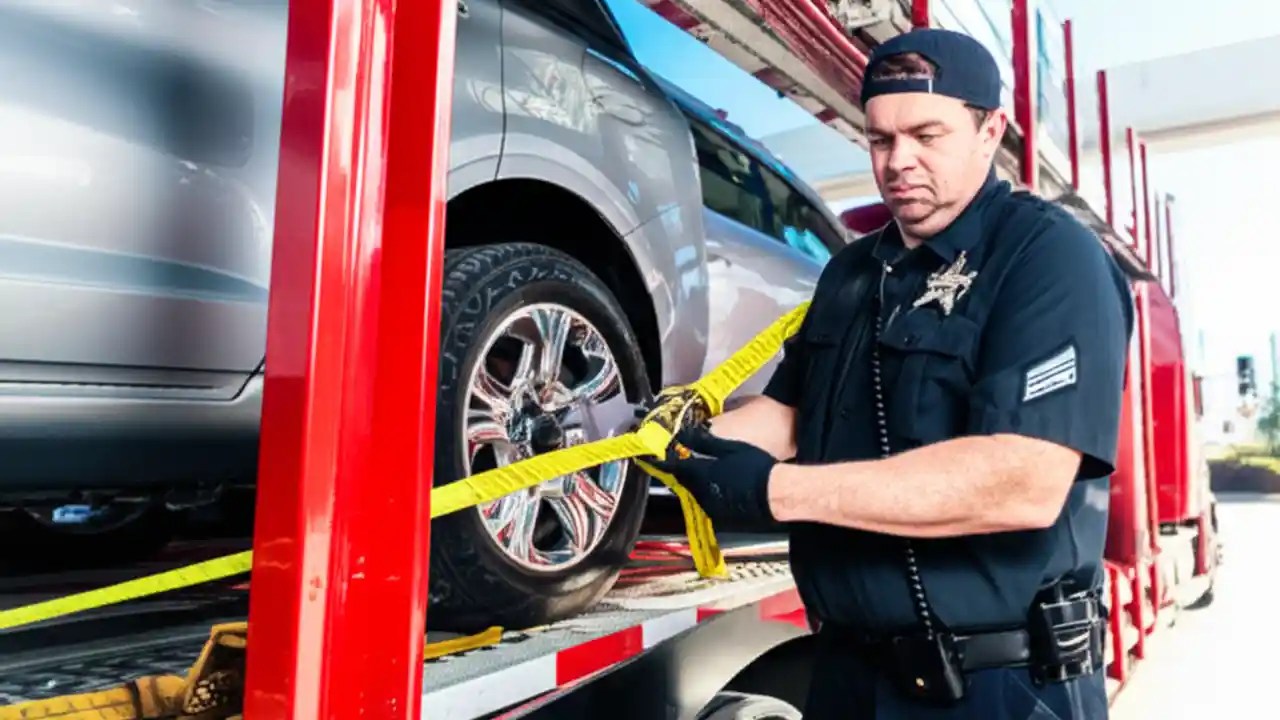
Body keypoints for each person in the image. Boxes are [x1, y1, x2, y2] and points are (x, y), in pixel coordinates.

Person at [649, 27, 1134, 720]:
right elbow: (789, 416)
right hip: (846, 674)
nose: (898, 161)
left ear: (990, 131)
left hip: (998, 686)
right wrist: (668, 445)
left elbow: (1022, 482)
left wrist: (773, 492)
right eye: (880, 139)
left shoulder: (1049, 256)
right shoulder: (851, 272)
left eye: (926, 135)